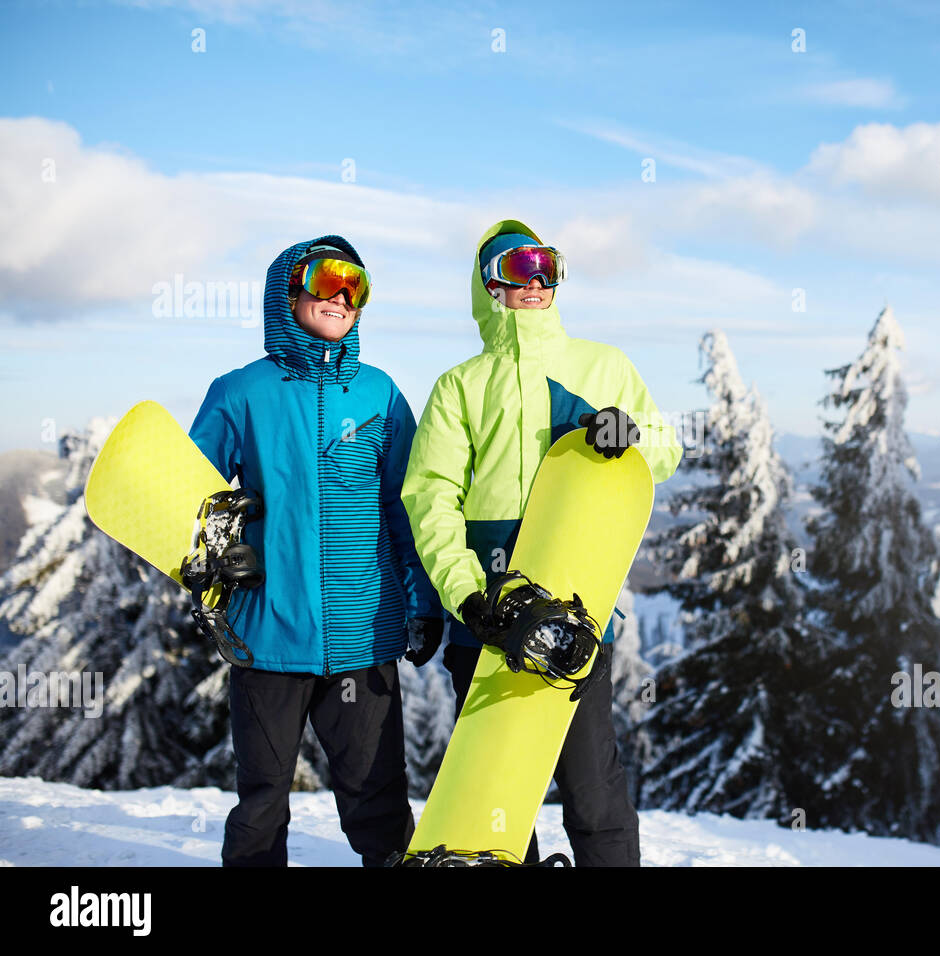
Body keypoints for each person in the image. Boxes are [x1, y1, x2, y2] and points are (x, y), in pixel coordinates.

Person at [401, 219, 682, 867]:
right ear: (488, 286)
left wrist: (631, 434)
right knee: (498, 789)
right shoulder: (460, 386)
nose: (534, 282)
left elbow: (667, 447)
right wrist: (469, 599)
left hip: (578, 607)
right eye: (518, 268)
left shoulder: (602, 366)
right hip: (487, 616)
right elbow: (431, 498)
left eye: (546, 267)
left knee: (591, 785)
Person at [190, 235, 443, 866]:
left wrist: (424, 601)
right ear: (288, 290)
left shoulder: (380, 394)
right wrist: (214, 558)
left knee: (377, 800)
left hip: (364, 632)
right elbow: (192, 503)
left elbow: (406, 507)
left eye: (355, 286)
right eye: (327, 279)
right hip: (268, 635)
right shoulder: (240, 391)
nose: (340, 296)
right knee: (261, 799)